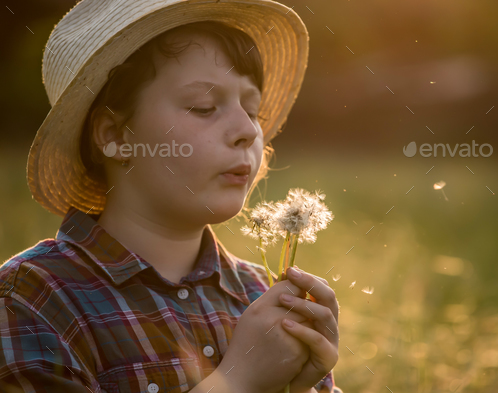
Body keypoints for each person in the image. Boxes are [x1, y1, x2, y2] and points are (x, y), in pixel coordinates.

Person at [0, 1, 342, 392]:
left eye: (254, 111)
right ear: (115, 135)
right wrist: (239, 381)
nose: (247, 130)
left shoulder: (260, 295)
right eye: (204, 107)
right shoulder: (33, 300)